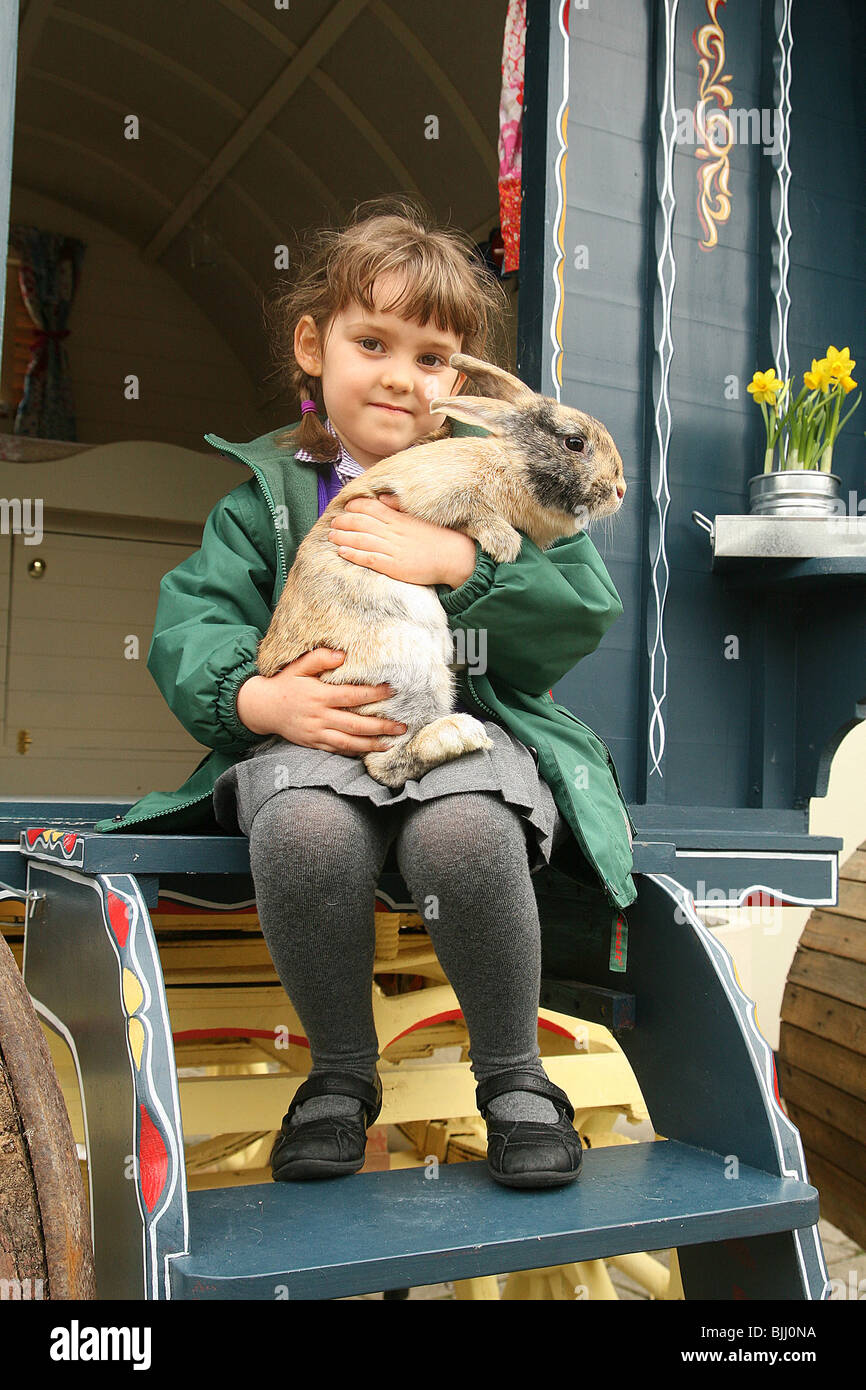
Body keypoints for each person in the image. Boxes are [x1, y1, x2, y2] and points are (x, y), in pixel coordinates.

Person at [96, 194, 636, 1189]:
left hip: (459, 735)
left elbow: (575, 610)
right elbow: (191, 628)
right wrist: (259, 705)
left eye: (431, 359)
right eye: (372, 341)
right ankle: (340, 1075)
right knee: (302, 827)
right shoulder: (265, 493)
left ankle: (513, 1077)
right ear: (314, 346)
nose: (399, 377)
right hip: (317, 742)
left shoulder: (498, 481)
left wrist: (452, 561)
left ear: (463, 386)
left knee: (463, 829)